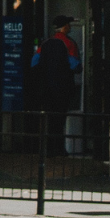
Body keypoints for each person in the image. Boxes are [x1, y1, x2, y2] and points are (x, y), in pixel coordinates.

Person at [32, 15, 81, 156]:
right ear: (65, 27)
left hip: (47, 88)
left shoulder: (45, 43)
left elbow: (34, 62)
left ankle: (49, 148)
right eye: (68, 25)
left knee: (49, 118)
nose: (70, 28)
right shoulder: (68, 43)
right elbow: (76, 66)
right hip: (63, 88)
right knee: (60, 119)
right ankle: (59, 149)